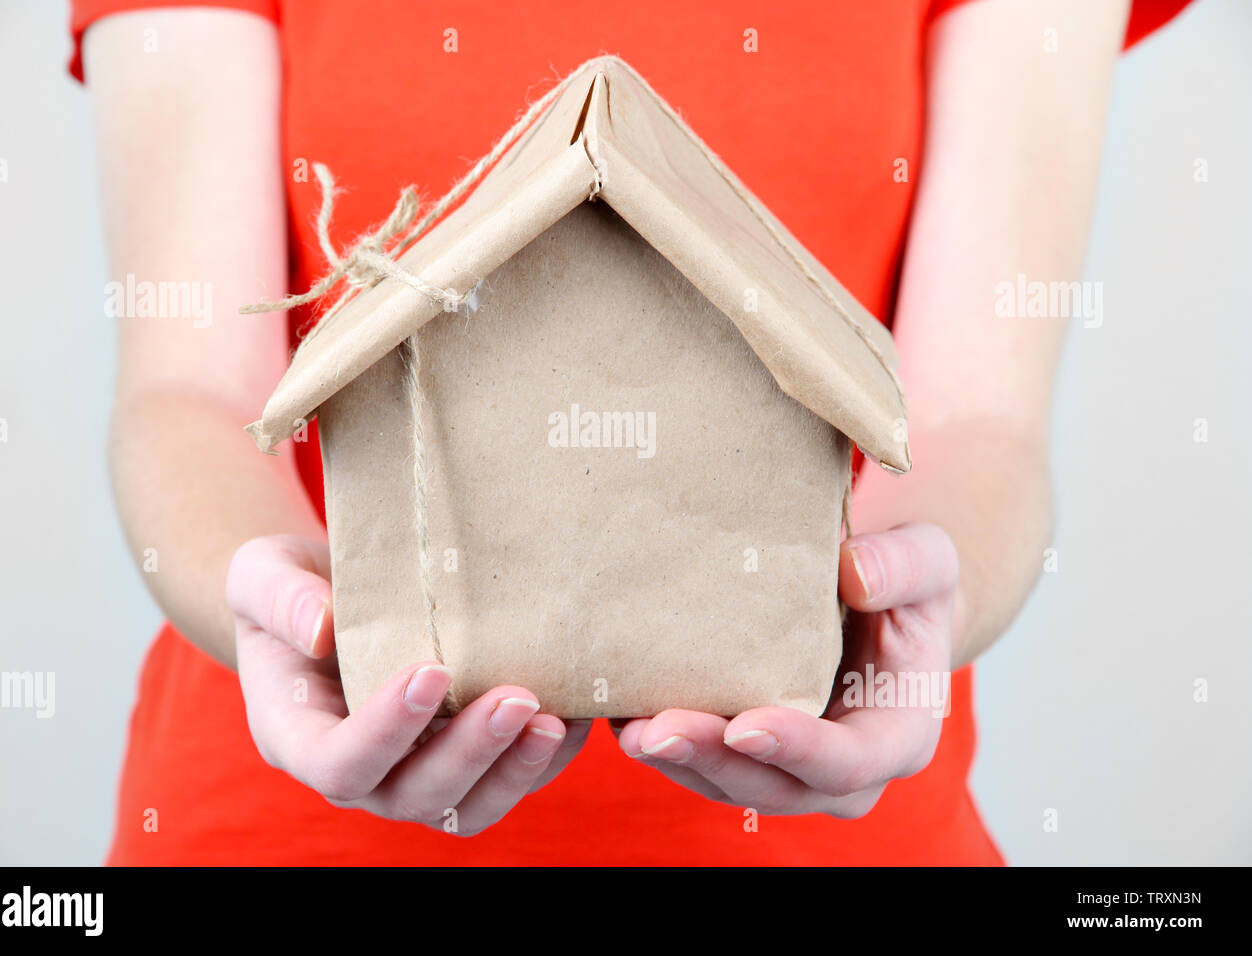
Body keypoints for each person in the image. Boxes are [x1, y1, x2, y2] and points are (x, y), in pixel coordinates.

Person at [72, 0, 1189, 864]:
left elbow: (972, 421)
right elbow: (194, 395)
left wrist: (901, 625)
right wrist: (297, 621)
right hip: (272, 830)